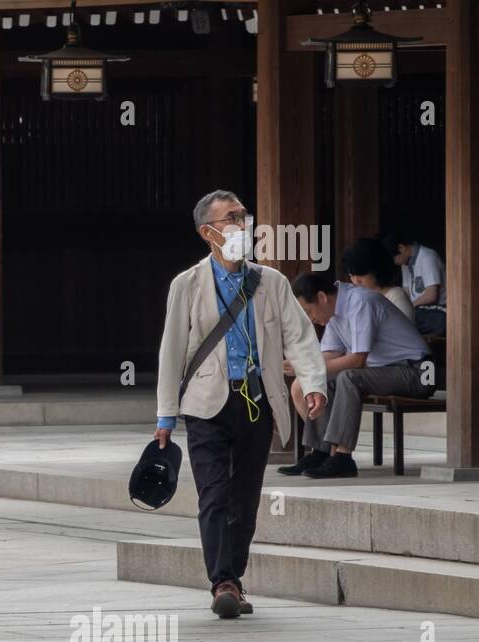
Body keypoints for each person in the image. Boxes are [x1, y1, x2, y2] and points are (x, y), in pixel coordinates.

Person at [155, 190, 327, 619]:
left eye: (244, 216)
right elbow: (171, 349)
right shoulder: (187, 284)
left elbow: (300, 336)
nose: (242, 224)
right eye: (231, 218)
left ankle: (234, 576)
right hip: (206, 404)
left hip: (256, 402)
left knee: (245, 498)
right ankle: (223, 582)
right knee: (214, 495)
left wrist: (312, 383)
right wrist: (165, 413)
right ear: (207, 232)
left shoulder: (272, 282)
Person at [282, 272, 434, 479]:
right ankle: (321, 451)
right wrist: (304, 366)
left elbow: (358, 360)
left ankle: (343, 458)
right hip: (385, 371)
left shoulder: (361, 302)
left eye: (309, 312)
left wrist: (310, 367)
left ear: (321, 297)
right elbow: (329, 355)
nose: (310, 319)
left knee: (349, 377)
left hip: (417, 373)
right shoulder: (333, 312)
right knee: (314, 381)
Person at [382, 231, 446, 336]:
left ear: (401, 248)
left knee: (409, 317)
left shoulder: (427, 257)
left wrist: (408, 307)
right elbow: (406, 293)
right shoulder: (405, 263)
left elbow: (431, 296)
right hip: (419, 308)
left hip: (438, 308)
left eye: (393, 258)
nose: (394, 263)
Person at [344, 237, 413, 322]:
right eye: (351, 275)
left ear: (377, 270)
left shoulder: (396, 296)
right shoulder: (357, 298)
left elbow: (404, 333)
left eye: (361, 274)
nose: (356, 281)